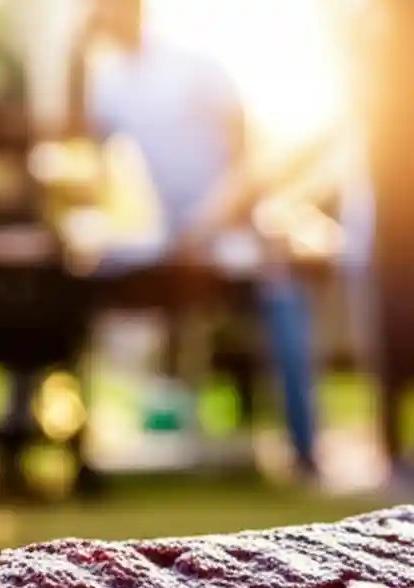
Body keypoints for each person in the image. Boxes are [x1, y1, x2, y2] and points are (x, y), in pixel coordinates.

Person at [59, 0, 320, 475]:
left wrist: (209, 222)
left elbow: (250, 160)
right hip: (169, 235)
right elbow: (81, 156)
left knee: (282, 296)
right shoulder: (111, 82)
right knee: (67, 287)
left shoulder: (197, 68)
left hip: (232, 229)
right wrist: (75, 51)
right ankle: (73, 456)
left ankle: (304, 450)